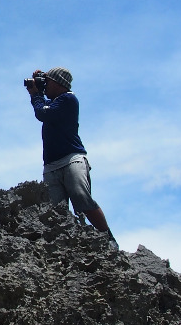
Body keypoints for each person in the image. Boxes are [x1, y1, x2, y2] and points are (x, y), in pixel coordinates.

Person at [25, 67, 114, 240]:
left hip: (72, 159)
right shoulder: (53, 103)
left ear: (58, 83)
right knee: (55, 211)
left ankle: (107, 238)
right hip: (51, 165)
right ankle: (66, 244)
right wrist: (39, 91)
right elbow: (43, 108)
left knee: (81, 197)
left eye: (47, 82)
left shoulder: (68, 99)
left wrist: (35, 94)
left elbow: (42, 113)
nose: (45, 85)